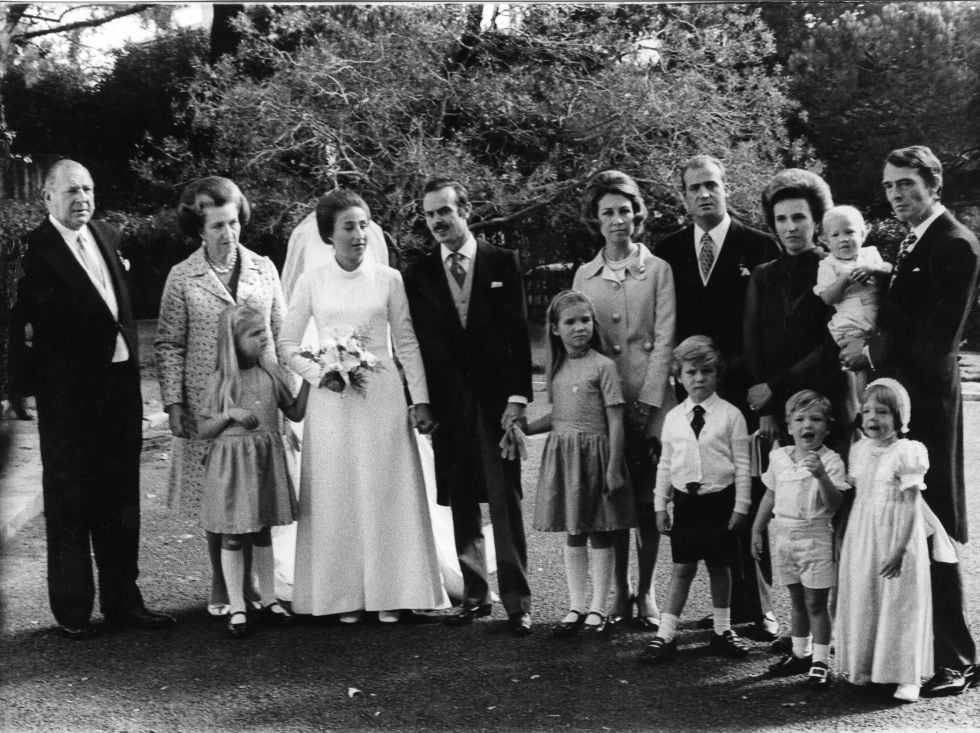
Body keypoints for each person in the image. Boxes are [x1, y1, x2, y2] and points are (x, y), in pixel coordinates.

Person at [8, 159, 174, 639]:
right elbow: (13, 325)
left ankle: (125, 603)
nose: (82, 198)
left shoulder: (108, 236)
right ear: (47, 199)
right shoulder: (30, 250)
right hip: (67, 398)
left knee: (121, 500)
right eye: (71, 191)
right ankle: (73, 609)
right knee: (70, 501)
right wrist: (16, 389)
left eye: (89, 188)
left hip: (120, 391)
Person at [839, 145, 979, 696]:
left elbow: (937, 340)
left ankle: (958, 657)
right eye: (890, 185)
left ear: (934, 183)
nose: (897, 195)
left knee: (931, 523)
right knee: (895, 523)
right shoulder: (909, 240)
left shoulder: (957, 245)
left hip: (927, 412)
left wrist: (871, 358)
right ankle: (915, 653)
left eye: (907, 184)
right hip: (899, 406)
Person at [280, 189, 448, 623]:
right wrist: (322, 373)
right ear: (328, 236)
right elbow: (288, 344)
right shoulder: (311, 281)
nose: (359, 234)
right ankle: (344, 596)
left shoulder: (389, 279)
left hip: (383, 395)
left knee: (385, 489)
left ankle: (392, 593)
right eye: (348, 227)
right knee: (338, 492)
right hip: (332, 401)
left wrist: (422, 399)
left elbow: (406, 343)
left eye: (364, 224)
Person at [655, 154, 780, 639]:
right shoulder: (669, 251)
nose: (704, 194)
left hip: (745, 395)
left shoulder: (758, 246)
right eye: (694, 188)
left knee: (749, 498)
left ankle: (761, 608)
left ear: (726, 188)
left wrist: (765, 401)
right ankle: (729, 611)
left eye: (712, 185)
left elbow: (766, 330)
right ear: (683, 196)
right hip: (694, 397)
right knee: (704, 501)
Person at [403, 177, 534, 636]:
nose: (438, 220)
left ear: (466, 210)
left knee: (504, 501)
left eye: (445, 211)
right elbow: (416, 344)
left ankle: (517, 601)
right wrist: (421, 401)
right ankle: (476, 595)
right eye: (430, 214)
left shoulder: (503, 263)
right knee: (460, 499)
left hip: (497, 404)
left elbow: (519, 335)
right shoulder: (416, 275)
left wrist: (518, 399)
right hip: (449, 405)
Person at [155, 177, 287, 617]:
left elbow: (280, 335)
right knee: (218, 492)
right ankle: (223, 580)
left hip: (257, 397)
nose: (228, 234)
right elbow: (169, 342)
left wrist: (286, 391)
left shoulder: (264, 268)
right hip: (206, 400)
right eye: (216, 226)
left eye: (233, 223)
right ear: (199, 229)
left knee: (255, 487)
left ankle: (254, 585)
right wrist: (174, 403)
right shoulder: (182, 276)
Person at [572, 170, 675, 631]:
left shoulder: (658, 270)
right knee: (612, 498)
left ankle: (648, 589)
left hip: (650, 403)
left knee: (651, 500)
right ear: (595, 218)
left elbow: (666, 337)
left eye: (625, 210)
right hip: (605, 405)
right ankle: (619, 588)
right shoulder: (584, 274)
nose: (618, 220)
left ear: (638, 214)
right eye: (608, 212)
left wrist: (649, 401)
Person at [836, 379, 954, 703]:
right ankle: (864, 666)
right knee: (865, 594)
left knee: (901, 603)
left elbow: (912, 502)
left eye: (883, 411)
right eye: (867, 410)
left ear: (899, 416)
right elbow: (856, 493)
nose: (873, 417)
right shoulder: (859, 449)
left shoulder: (907, 451)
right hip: (863, 533)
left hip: (898, 533)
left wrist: (901, 548)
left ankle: (907, 675)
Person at [196, 304, 309, 637]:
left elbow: (295, 412)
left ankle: (270, 599)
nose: (264, 338)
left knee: (262, 529)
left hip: (264, 462)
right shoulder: (221, 380)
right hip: (233, 468)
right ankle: (237, 605)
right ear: (233, 340)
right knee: (233, 533)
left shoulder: (272, 371)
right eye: (255, 333)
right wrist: (229, 413)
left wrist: (311, 382)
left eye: (265, 331)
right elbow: (204, 429)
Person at [638, 336, 751, 664]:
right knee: (682, 568)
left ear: (718, 374)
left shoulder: (731, 416)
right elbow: (665, 463)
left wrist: (741, 507)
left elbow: (743, 466)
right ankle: (666, 634)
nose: (699, 379)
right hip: (687, 504)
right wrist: (661, 504)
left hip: (720, 502)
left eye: (707, 371)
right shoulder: (673, 418)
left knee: (720, 567)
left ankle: (722, 630)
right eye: (691, 372)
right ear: (678, 375)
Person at [527, 290, 632, 636]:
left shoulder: (603, 366)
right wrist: (526, 428)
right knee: (573, 532)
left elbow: (615, 419)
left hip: (597, 457)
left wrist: (614, 467)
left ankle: (598, 609)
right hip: (566, 458)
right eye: (570, 322)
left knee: (600, 532)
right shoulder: (556, 368)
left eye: (585, 320)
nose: (579, 328)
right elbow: (559, 415)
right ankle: (575, 605)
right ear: (555, 329)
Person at [751, 390, 848, 689]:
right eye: (800, 419)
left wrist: (821, 476)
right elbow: (770, 493)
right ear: (789, 426)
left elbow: (834, 504)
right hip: (784, 536)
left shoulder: (831, 461)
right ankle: (800, 653)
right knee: (795, 600)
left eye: (816, 419)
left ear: (827, 427)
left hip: (815, 537)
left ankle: (821, 661)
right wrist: (756, 529)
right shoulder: (779, 457)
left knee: (816, 602)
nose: (808, 425)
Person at [744, 169, 846, 446]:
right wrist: (764, 408)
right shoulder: (762, 275)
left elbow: (831, 344)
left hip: (825, 400)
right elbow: (752, 341)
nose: (790, 227)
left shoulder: (836, 268)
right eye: (781, 219)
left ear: (816, 220)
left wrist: (774, 385)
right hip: (776, 407)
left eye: (799, 217)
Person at [812, 205, 891, 421]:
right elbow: (827, 297)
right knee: (860, 368)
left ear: (863, 233)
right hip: (850, 324)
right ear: (826, 241)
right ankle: (864, 410)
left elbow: (890, 270)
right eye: (835, 235)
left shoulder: (870, 254)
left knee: (881, 367)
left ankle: (880, 408)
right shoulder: (829, 265)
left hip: (875, 320)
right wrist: (844, 279)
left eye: (850, 232)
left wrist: (872, 269)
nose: (843, 239)